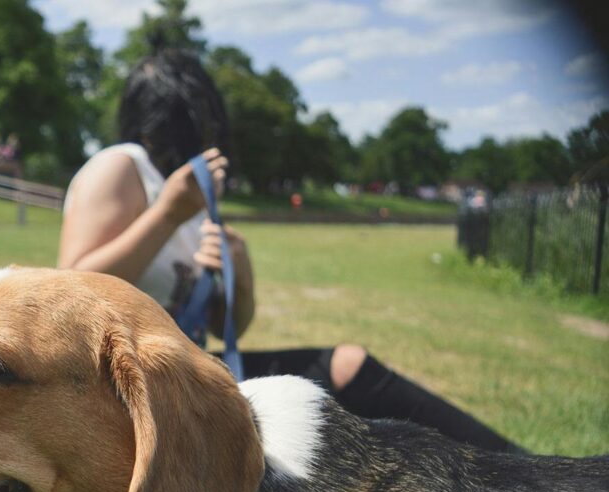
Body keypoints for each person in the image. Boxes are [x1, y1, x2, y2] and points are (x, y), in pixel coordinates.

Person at [59, 50, 522, 453]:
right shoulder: (122, 165)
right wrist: (167, 214)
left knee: (344, 367)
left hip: (182, 376)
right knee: (343, 368)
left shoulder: (186, 195)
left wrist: (241, 271)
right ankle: (519, 471)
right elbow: (69, 293)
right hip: (123, 392)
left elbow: (224, 327)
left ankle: (517, 469)